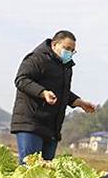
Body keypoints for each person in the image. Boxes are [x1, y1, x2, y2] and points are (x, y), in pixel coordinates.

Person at [10, 30, 96, 164]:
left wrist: (79, 103)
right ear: (54, 44)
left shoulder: (66, 67)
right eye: (66, 48)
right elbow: (21, 80)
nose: (69, 53)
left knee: (47, 174)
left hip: (51, 128)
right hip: (31, 123)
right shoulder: (36, 58)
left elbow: (63, 92)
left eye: (72, 50)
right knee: (30, 170)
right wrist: (43, 92)